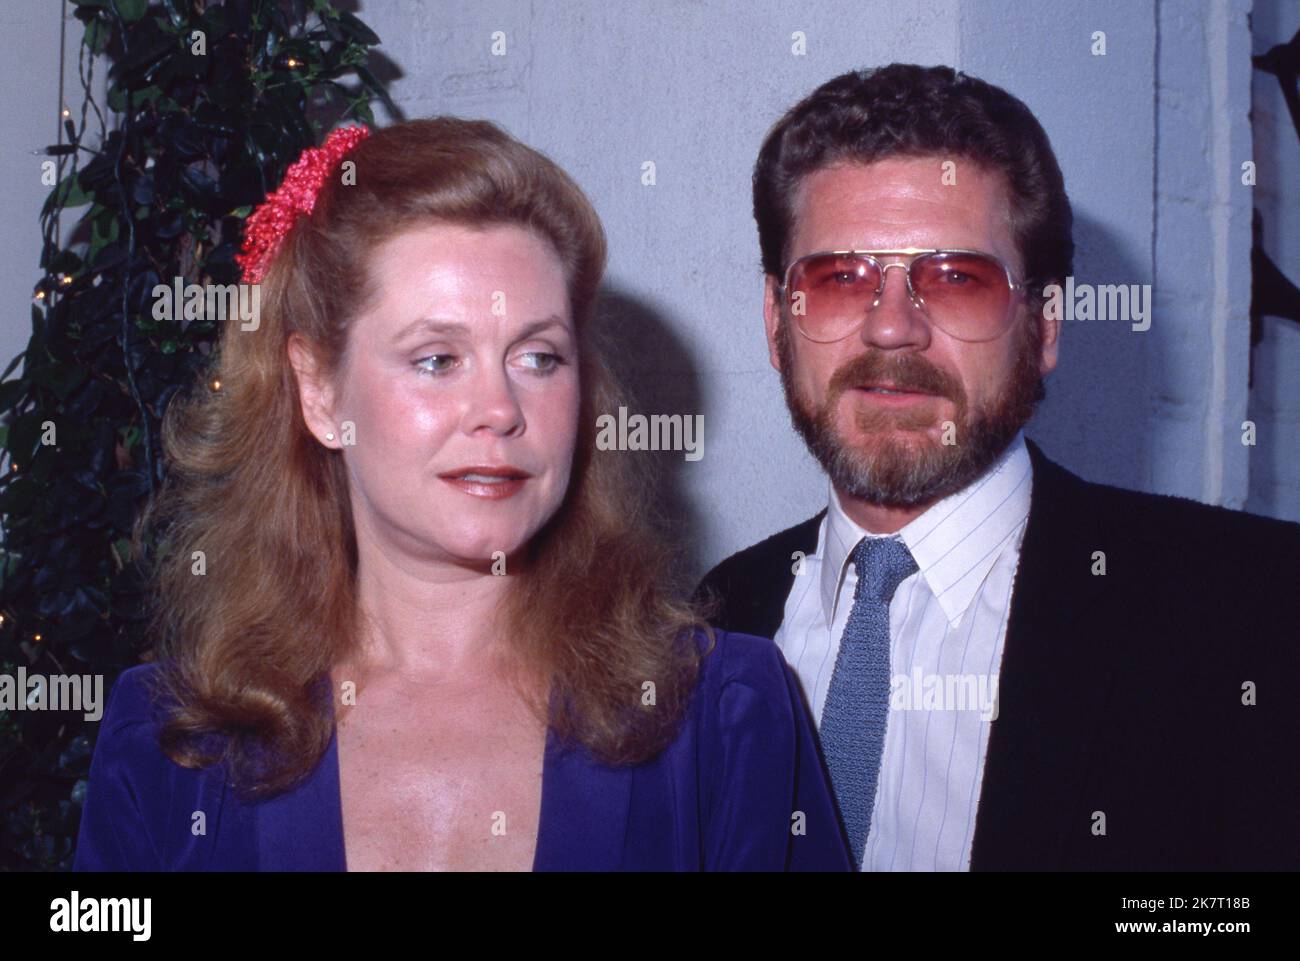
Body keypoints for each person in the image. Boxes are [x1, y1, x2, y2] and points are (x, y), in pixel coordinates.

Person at [74, 118, 850, 872]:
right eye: (438, 358)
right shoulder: (168, 738)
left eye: (539, 357)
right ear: (317, 390)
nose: (502, 409)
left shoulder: (727, 713)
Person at [695, 63, 1300, 871]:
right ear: (778, 322)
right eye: (841, 279)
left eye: (956, 280)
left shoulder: (1254, 614)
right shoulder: (707, 623)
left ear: (1045, 325)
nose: (892, 329)